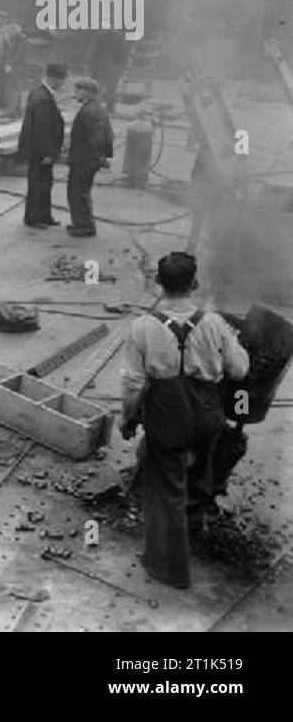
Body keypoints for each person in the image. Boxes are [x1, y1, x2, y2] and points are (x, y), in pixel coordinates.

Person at [121, 252, 249, 590]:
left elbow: (134, 384)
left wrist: (127, 419)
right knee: (198, 472)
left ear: (157, 282)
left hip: (167, 419)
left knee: (166, 488)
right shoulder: (214, 323)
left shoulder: (142, 327)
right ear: (195, 284)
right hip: (207, 417)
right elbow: (239, 370)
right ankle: (194, 528)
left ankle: (168, 568)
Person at [18, 63, 67, 229]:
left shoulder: (39, 92)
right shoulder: (43, 99)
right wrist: (47, 153)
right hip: (40, 151)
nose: (63, 84)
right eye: (62, 80)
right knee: (38, 184)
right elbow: (42, 128)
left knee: (45, 183)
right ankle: (34, 218)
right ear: (54, 79)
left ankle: (44, 215)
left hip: (37, 149)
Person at [65, 77, 114, 237]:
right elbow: (108, 134)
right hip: (85, 159)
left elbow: (97, 138)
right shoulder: (95, 108)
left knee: (78, 193)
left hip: (84, 160)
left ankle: (85, 226)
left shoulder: (90, 111)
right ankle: (80, 223)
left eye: (78, 90)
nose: (75, 93)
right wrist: (105, 156)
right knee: (79, 192)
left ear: (87, 92)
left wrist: (100, 158)